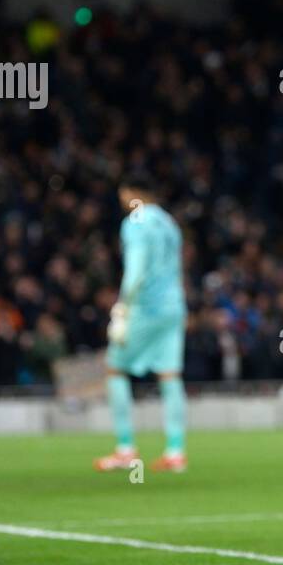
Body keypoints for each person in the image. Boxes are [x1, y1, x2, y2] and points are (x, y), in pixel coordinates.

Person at [94, 174, 189, 474]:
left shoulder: (136, 221)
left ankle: (126, 449)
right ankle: (175, 451)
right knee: (170, 375)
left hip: (146, 307)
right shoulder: (169, 223)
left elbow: (135, 271)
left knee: (115, 369)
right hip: (174, 307)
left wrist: (123, 306)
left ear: (133, 194)